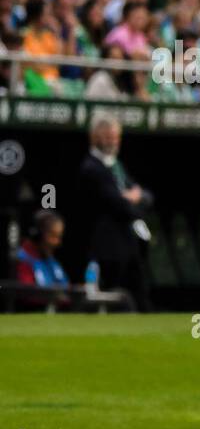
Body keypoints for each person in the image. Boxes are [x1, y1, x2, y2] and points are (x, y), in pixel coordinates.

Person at [78, 111, 152, 311]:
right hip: (104, 248)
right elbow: (119, 205)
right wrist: (130, 199)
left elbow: (145, 196)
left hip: (128, 244)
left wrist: (133, 198)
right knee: (110, 298)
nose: (114, 141)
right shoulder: (91, 168)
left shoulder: (117, 165)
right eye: (109, 137)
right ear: (95, 137)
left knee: (140, 298)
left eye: (116, 137)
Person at [14, 210, 70, 309]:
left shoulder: (51, 261)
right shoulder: (22, 259)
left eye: (59, 237)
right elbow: (26, 295)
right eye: (53, 236)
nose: (57, 242)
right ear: (37, 235)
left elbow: (67, 291)